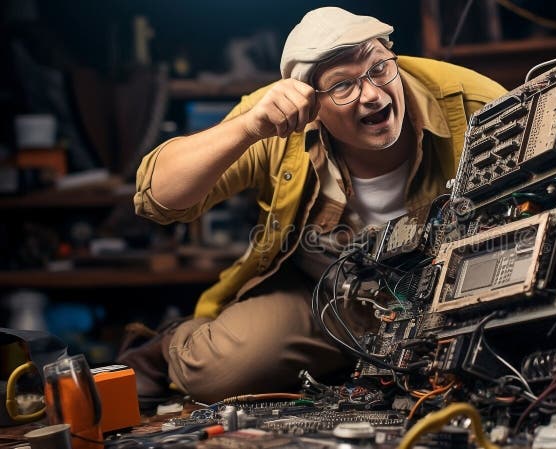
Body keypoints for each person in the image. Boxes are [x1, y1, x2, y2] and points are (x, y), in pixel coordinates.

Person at [119, 6, 507, 404]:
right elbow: (156, 199)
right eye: (343, 86)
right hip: (322, 295)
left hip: (448, 291)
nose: (372, 95)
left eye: (378, 69)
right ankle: (165, 347)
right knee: (222, 372)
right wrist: (249, 127)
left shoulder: (469, 100)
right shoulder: (274, 119)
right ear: (310, 105)